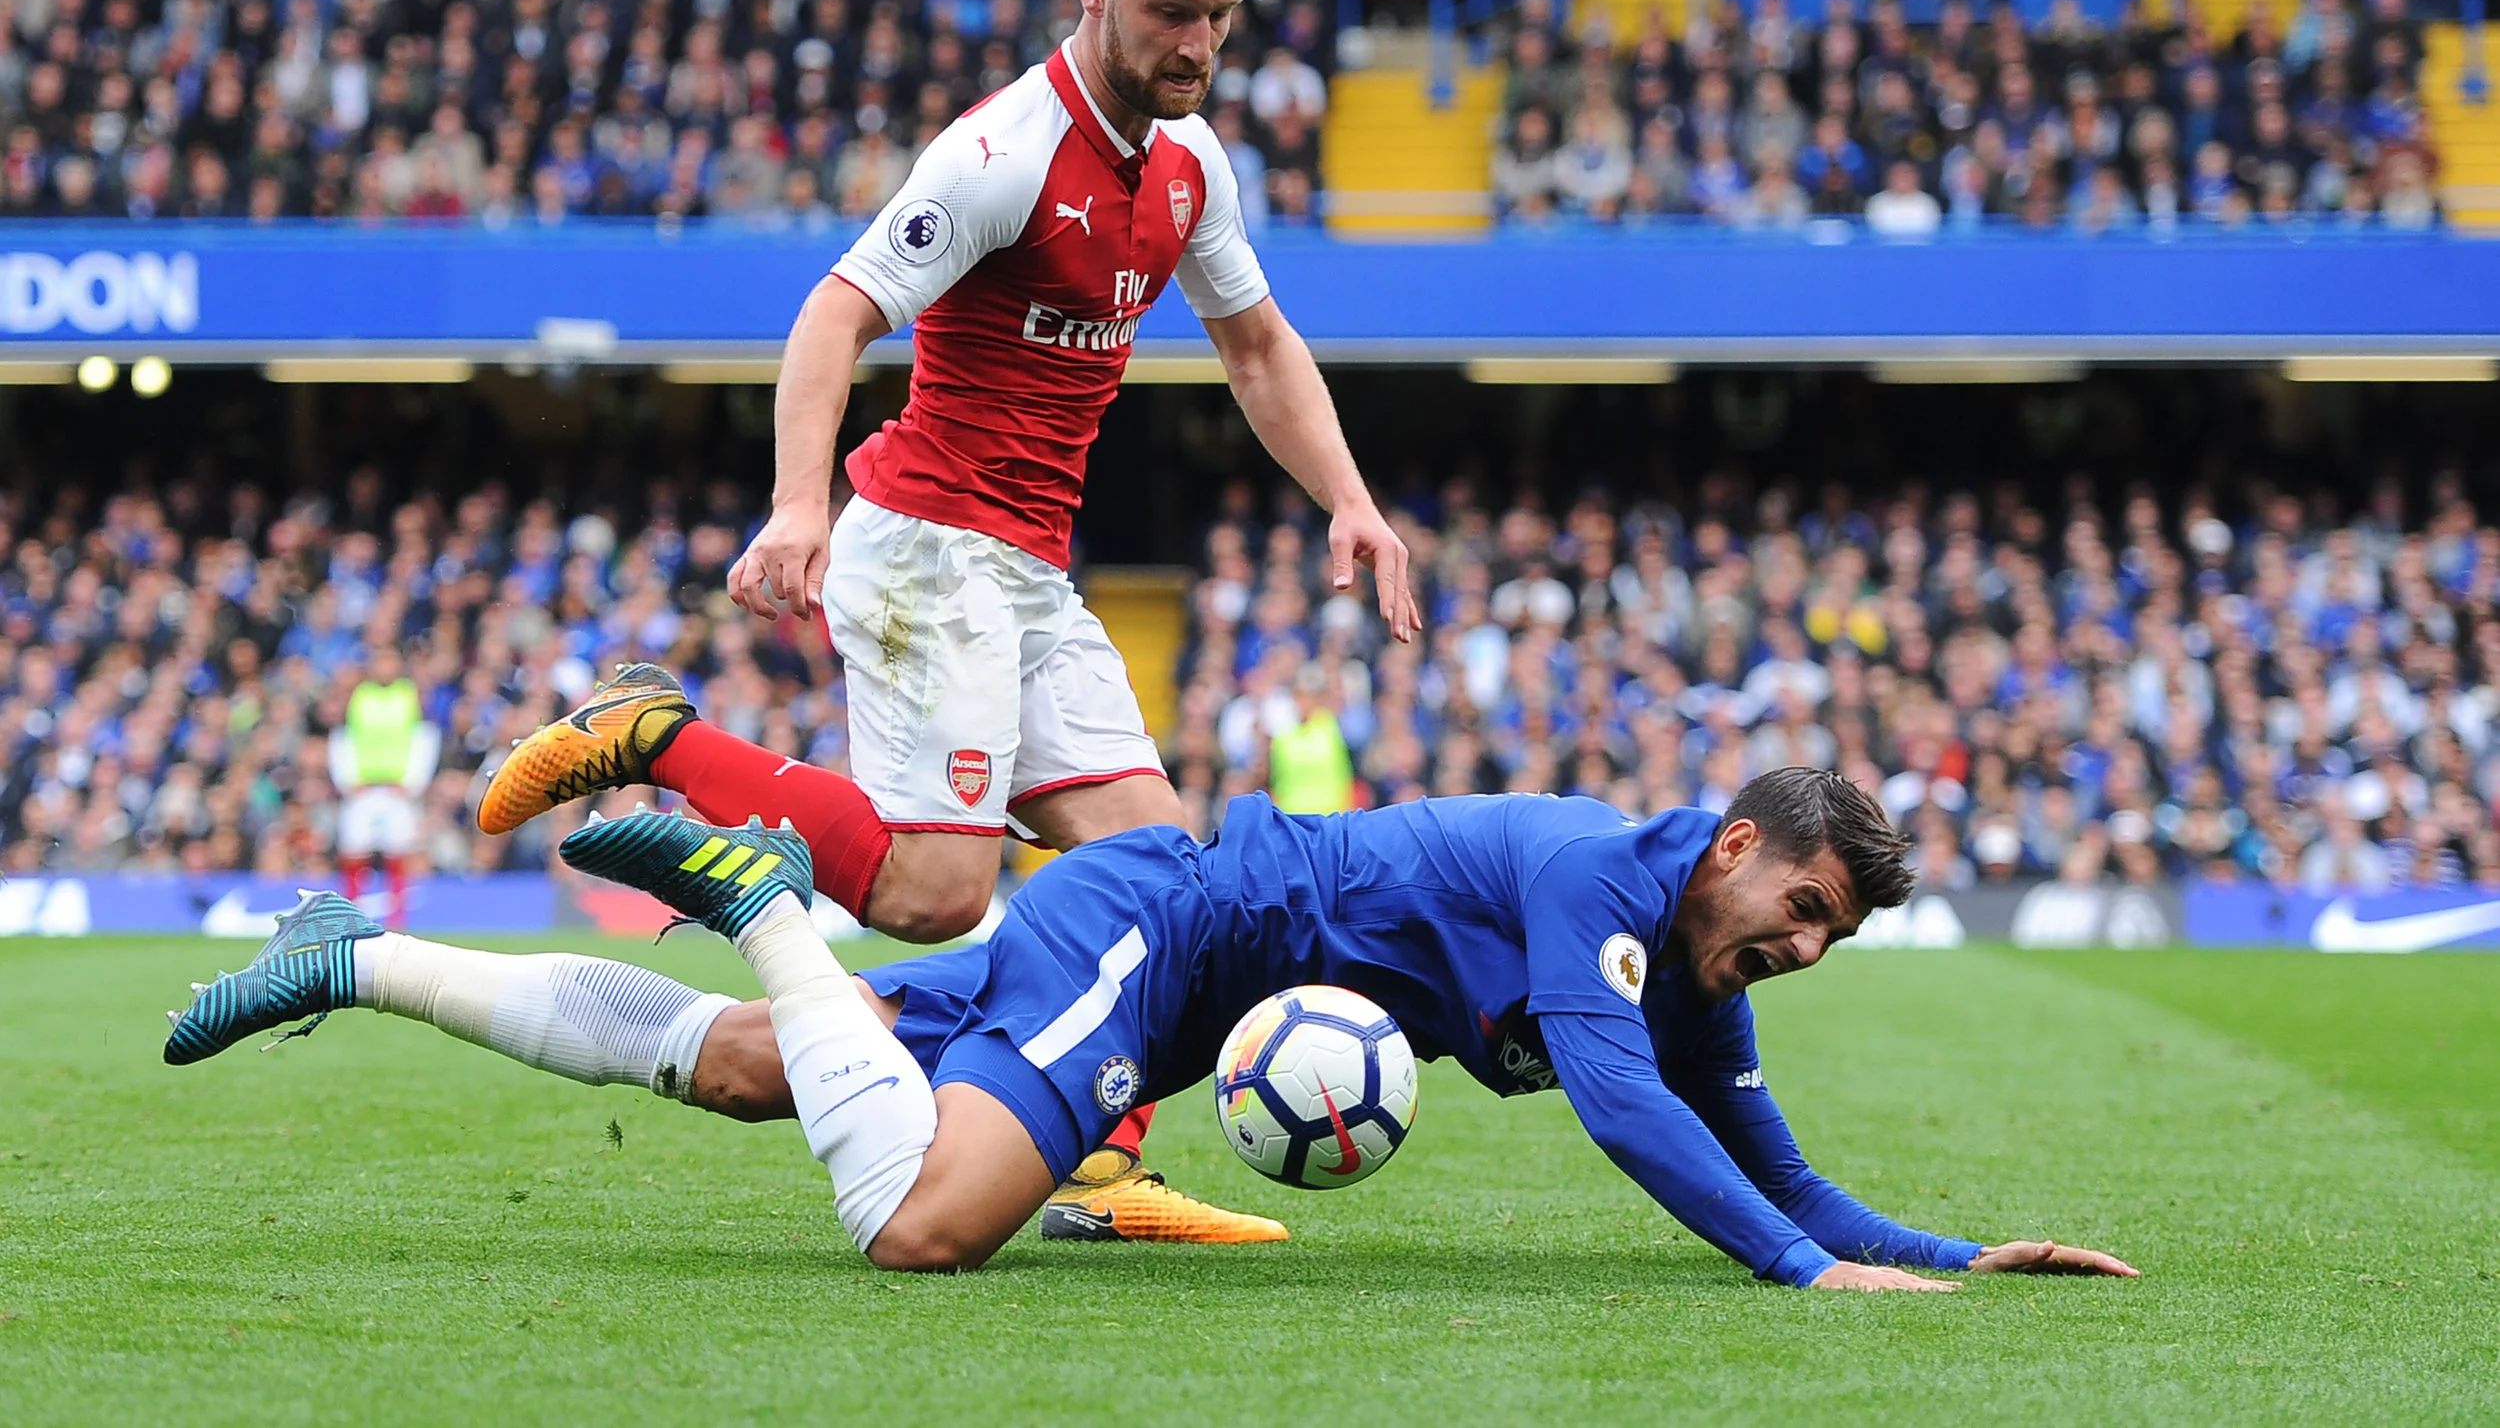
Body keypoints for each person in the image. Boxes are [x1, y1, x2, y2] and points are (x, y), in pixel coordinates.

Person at [472, 0, 1416, 1244]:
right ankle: (656, 734)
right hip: (926, 546)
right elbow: (832, 314)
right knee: (933, 895)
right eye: (1172, 11)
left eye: (1221, 16)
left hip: (1027, 569)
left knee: (1170, 889)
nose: (1199, 45)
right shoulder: (1000, 156)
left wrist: (1350, 498)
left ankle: (1098, 1177)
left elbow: (1258, 346)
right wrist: (800, 506)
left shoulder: (1193, 166)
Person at [169, 768, 2135, 1291]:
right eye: (1797, 907)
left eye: (1824, 938)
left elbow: (1758, 1147)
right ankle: (769, 888)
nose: (1797, 946)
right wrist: (1797, 1277)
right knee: (921, 1224)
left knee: (769, 1065)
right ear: (1731, 848)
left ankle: (352, 955)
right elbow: (1625, 1116)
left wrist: (1942, 1252)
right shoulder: (1591, 890)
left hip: (1168, 985)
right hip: (1164, 929)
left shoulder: (1692, 957)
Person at [326, 646, 438, 931]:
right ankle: (351, 913)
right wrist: (348, 780)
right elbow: (344, 736)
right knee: (354, 850)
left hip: (397, 789)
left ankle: (397, 917)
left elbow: (424, 736)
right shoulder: (360, 696)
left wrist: (414, 780)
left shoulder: (409, 695)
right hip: (362, 788)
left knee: (398, 851)